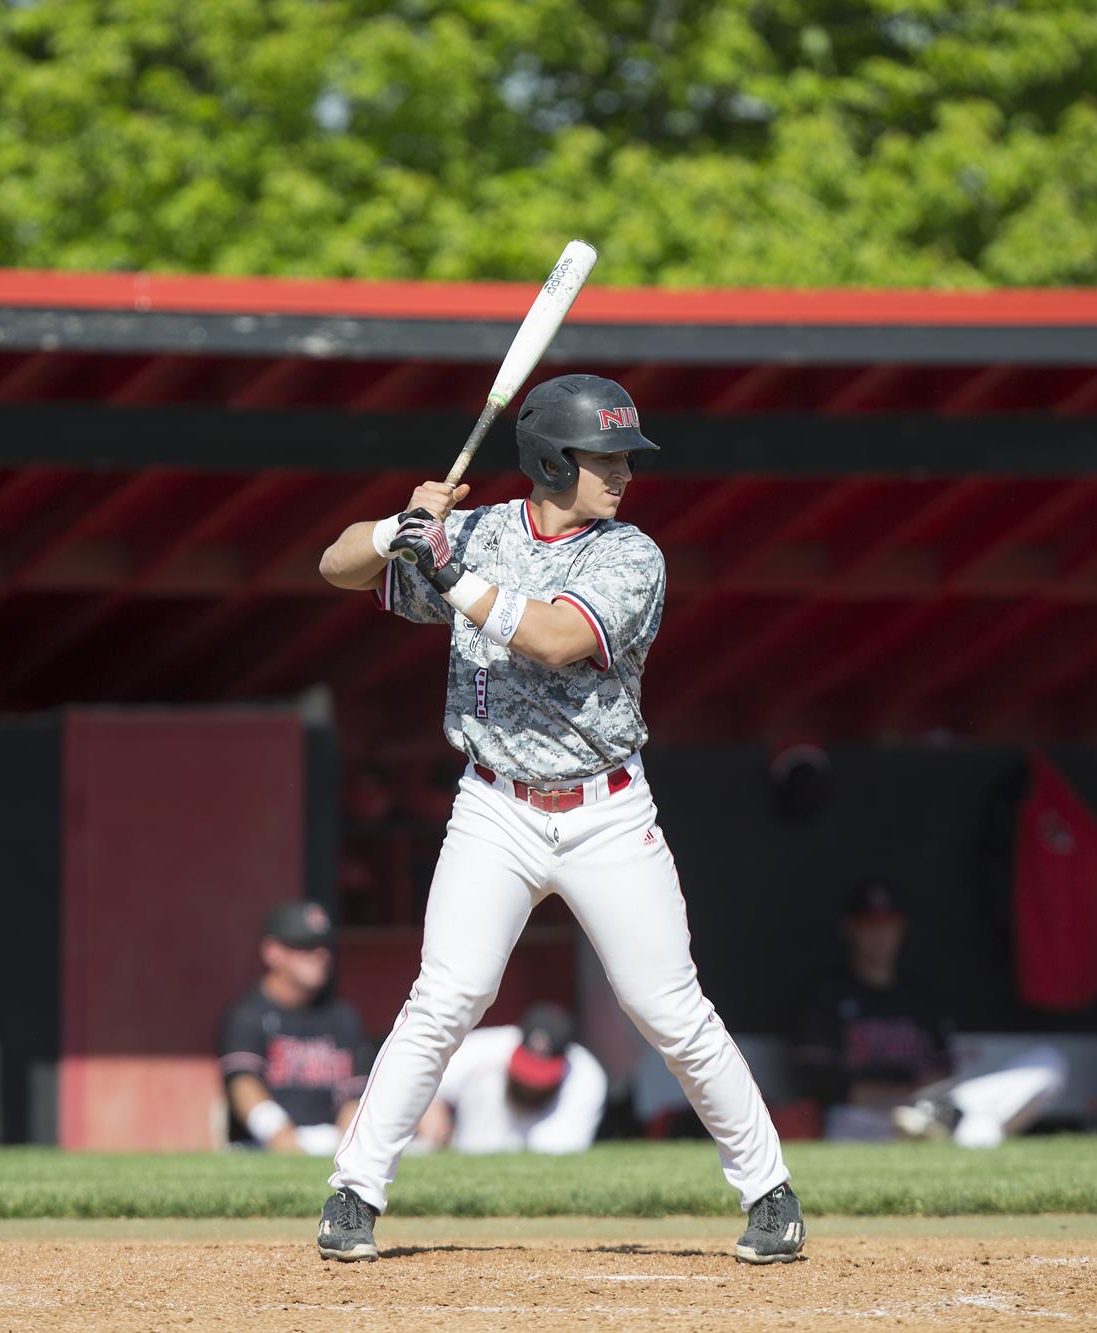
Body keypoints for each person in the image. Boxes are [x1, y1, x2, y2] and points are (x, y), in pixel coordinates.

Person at [314, 374, 804, 1265]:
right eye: (603, 458)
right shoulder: (482, 528)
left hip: (605, 810)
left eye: (623, 458)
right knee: (446, 996)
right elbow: (336, 565)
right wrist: (399, 530)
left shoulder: (631, 556)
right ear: (550, 459)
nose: (621, 474)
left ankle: (769, 1191)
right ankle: (354, 1192)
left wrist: (449, 569)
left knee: (668, 1007)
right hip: (493, 804)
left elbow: (551, 637)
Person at [793, 880, 1065, 1148]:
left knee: (1047, 1063)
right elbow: (822, 1085)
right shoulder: (827, 995)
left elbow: (945, 1069)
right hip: (861, 1121)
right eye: (870, 926)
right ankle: (955, 1130)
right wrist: (905, 1096)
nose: (880, 935)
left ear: (901, 928)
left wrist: (925, 1101)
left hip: (928, 1111)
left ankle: (947, 1127)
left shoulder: (920, 997)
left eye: (888, 925)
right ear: (850, 929)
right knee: (974, 1130)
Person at [218, 901, 368, 1156]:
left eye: (324, 946)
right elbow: (242, 1084)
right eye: (305, 946)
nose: (320, 955)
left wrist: (346, 1145)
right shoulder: (247, 1015)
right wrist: (279, 1134)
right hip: (263, 1145)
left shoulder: (343, 1017)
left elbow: (356, 1094)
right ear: (273, 951)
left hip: (330, 1141)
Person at [413, 1002, 607, 1154]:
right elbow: (420, 1075)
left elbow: (555, 1155)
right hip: (463, 1147)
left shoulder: (585, 1076)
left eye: (538, 1080)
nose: (529, 1085)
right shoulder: (488, 1047)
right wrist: (431, 1105)